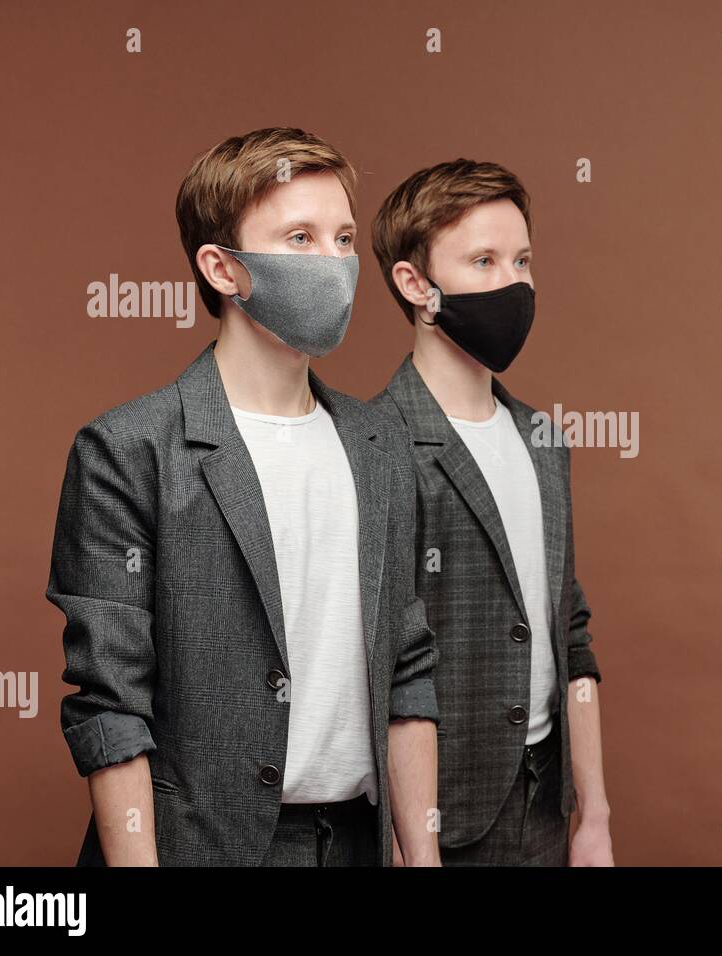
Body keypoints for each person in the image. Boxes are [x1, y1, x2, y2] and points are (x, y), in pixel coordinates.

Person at [46, 127, 440, 866]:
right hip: (201, 849)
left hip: (357, 841)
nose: (336, 263)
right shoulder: (127, 450)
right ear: (223, 268)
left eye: (345, 237)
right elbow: (111, 708)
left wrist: (424, 859)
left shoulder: (381, 446)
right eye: (301, 237)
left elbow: (409, 671)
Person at [369, 159, 613, 865]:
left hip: (545, 802)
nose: (514, 283)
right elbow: (376, 666)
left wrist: (593, 813)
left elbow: (572, 631)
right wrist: (410, 846)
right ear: (417, 286)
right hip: (444, 819)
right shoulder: (376, 446)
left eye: (523, 260)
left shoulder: (544, 440)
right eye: (483, 261)